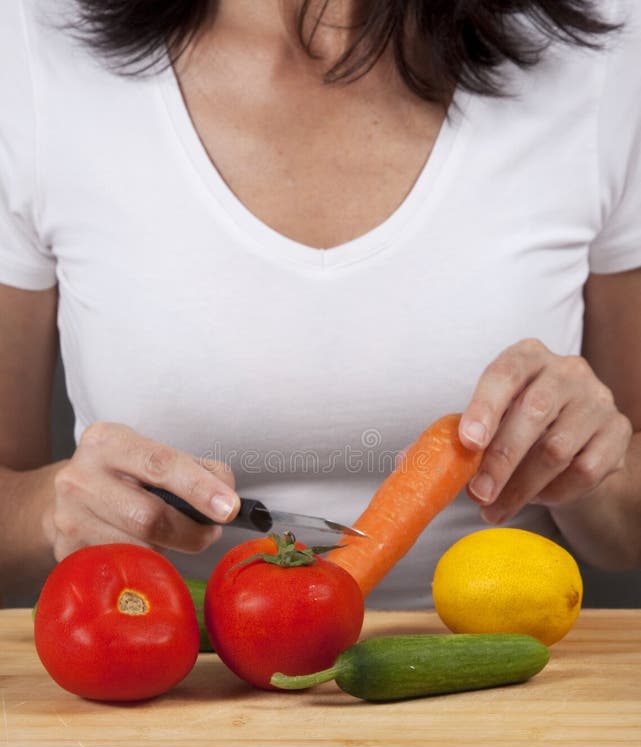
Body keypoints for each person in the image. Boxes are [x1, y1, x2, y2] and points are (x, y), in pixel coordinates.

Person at [1, 0, 640, 609]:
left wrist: (589, 474)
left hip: (507, 683)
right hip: (165, 682)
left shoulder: (604, 45)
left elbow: (628, 530)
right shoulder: (33, 43)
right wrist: (43, 512)